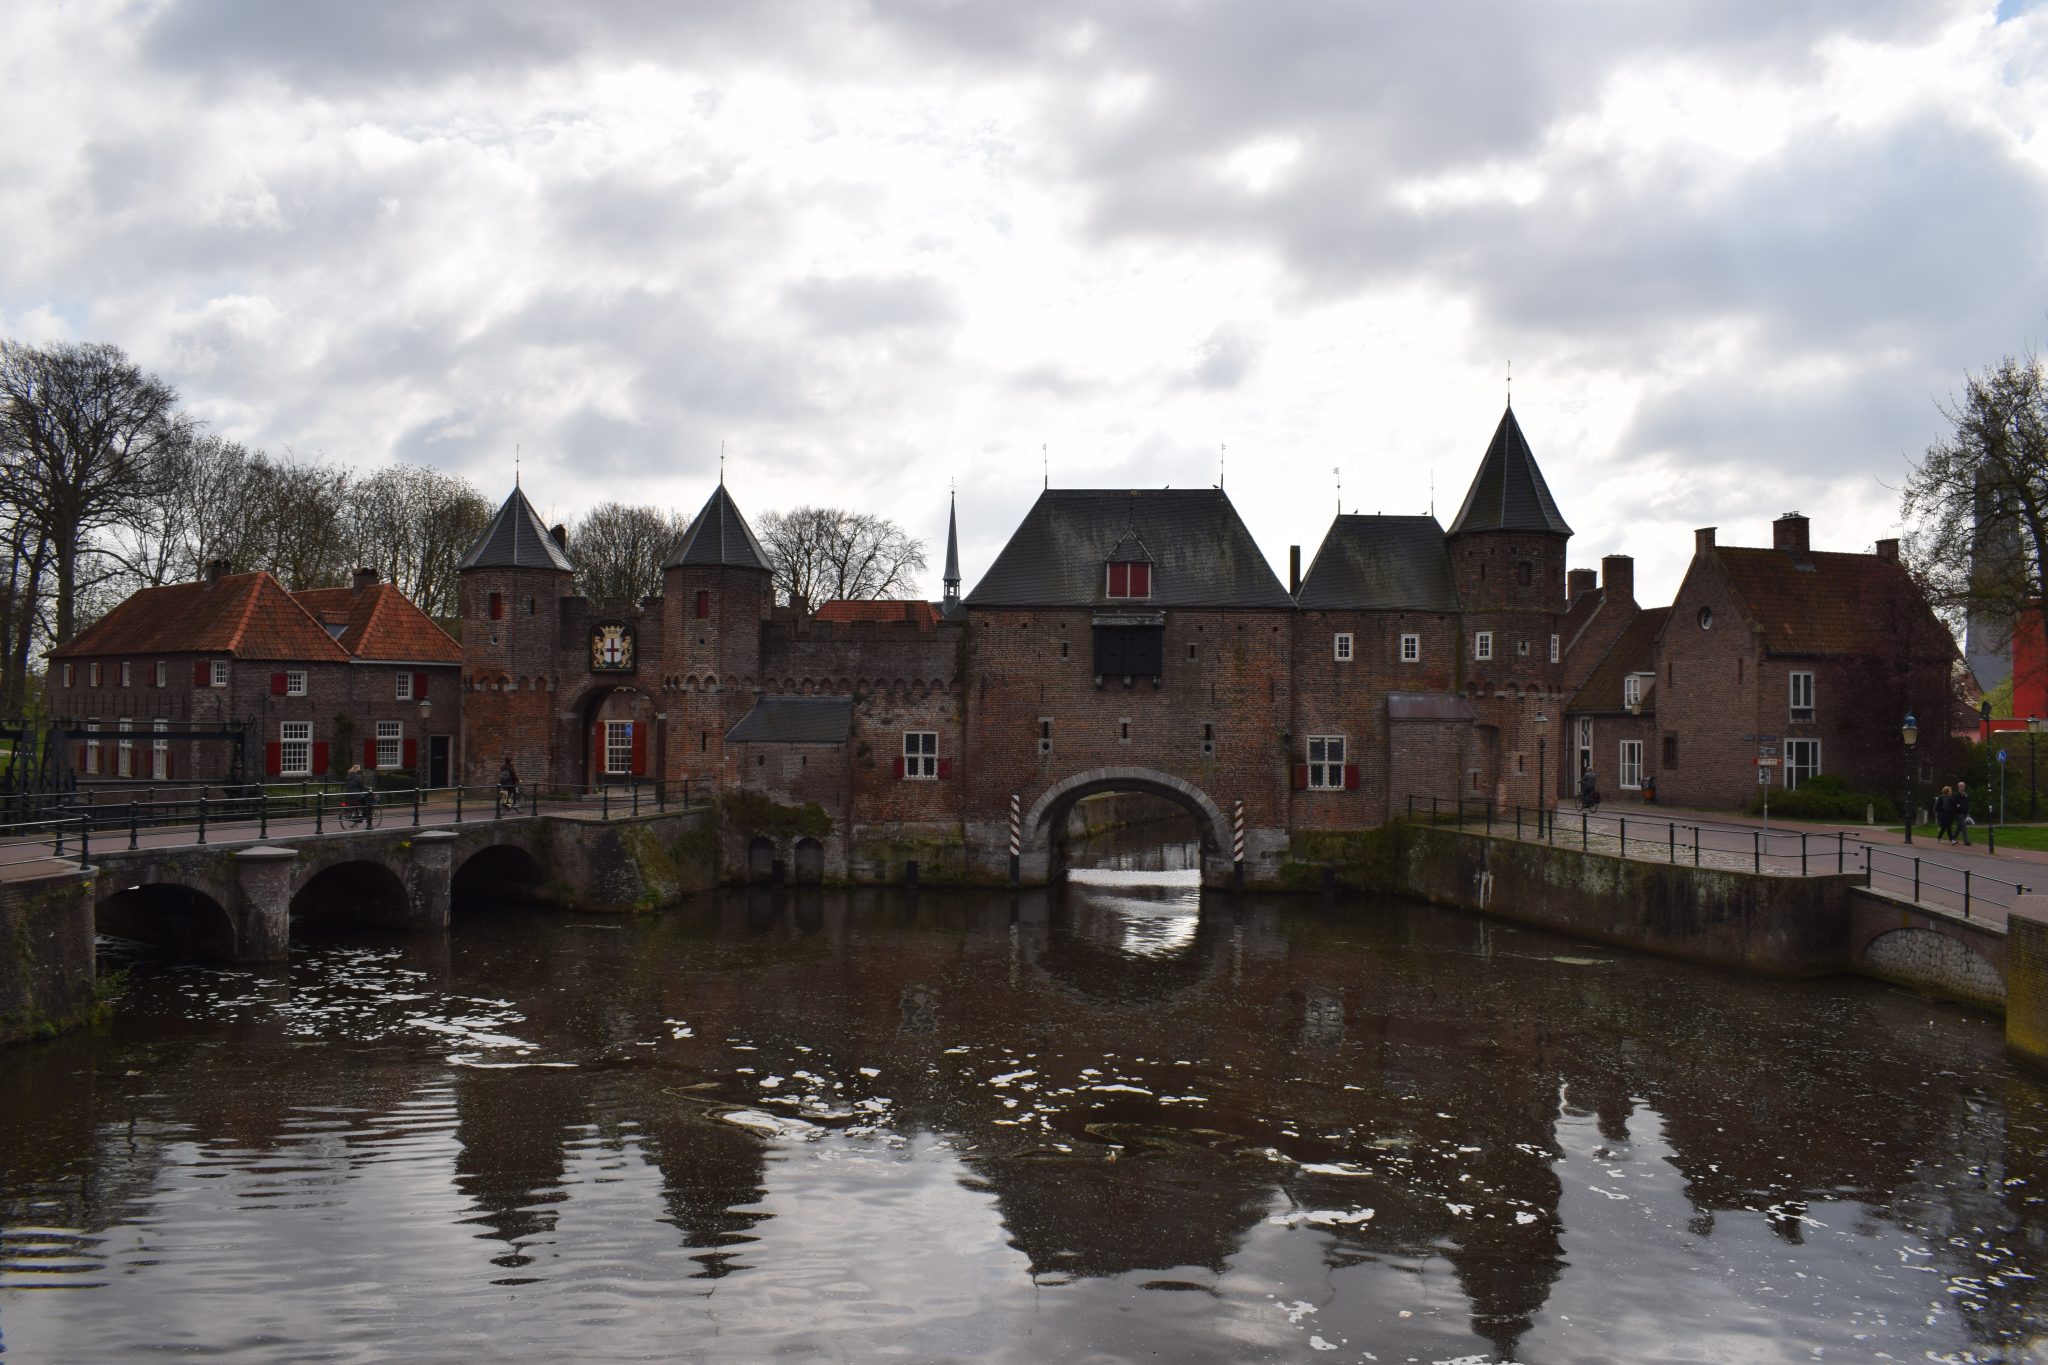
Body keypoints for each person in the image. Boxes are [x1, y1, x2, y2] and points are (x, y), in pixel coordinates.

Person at [1953, 780, 1972, 846]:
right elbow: (1955, 804)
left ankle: (1953, 838)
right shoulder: (1956, 795)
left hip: (1964, 813)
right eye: (1960, 786)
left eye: (1963, 786)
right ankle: (1966, 841)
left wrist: (1968, 813)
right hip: (1958, 813)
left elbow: (1967, 804)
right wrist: (1958, 806)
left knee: (1959, 826)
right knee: (1964, 826)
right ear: (1958, 787)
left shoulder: (1965, 795)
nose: (1962, 787)